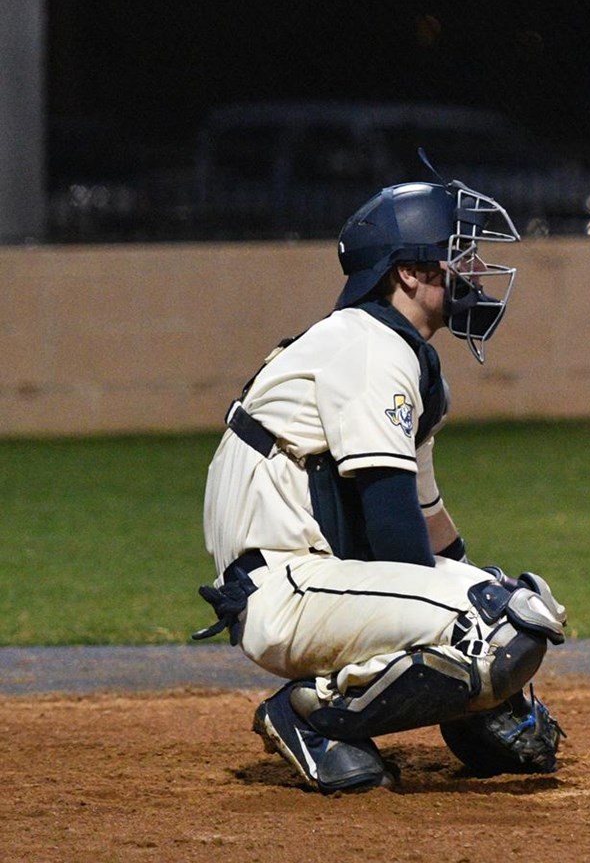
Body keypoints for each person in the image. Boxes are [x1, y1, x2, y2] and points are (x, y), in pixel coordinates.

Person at [195, 175, 567, 793]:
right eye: (458, 254)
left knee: (496, 602)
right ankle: (310, 717)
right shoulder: (369, 349)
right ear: (409, 273)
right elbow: (392, 527)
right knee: (502, 621)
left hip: (325, 580)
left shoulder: (397, 354)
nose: (473, 270)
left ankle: (469, 713)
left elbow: (426, 519)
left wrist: (475, 600)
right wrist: (477, 628)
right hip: (289, 590)